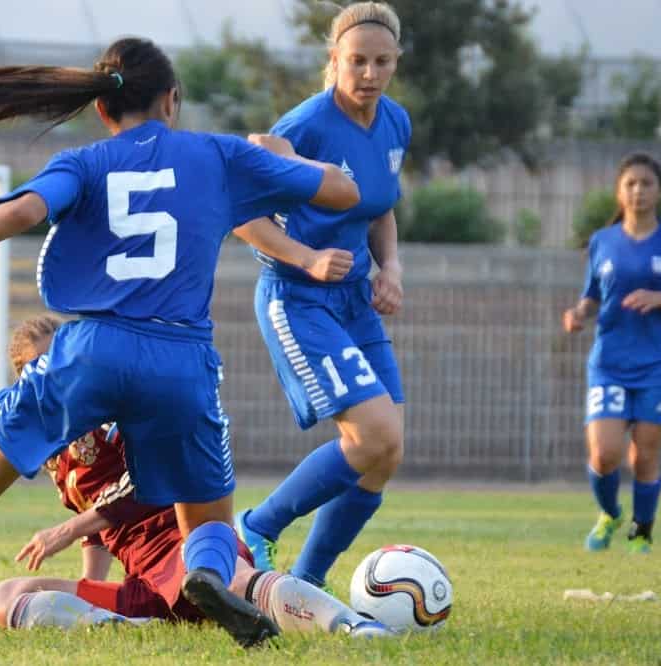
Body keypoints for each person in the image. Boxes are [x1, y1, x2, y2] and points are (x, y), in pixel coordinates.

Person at [0, 36, 359, 648]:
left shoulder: (86, 162)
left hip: (90, 347)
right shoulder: (219, 155)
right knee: (210, 518)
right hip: (180, 356)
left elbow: (21, 212)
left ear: (101, 109)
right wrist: (283, 156)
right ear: (173, 100)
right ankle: (204, 576)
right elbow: (341, 192)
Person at [0, 316, 393, 638]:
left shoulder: (106, 409)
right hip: (146, 581)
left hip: (183, 543)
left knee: (234, 580)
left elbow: (149, 479)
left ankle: (354, 627)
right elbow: (99, 530)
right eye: (39, 367)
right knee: (7, 596)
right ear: (25, 379)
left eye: (56, 359)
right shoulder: (55, 452)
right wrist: (88, 587)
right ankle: (123, 626)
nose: (54, 373)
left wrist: (68, 529)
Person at [234, 2, 410, 589]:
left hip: (355, 300)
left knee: (384, 454)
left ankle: (307, 580)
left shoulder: (395, 123)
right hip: (298, 299)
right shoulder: (301, 128)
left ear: (395, 63)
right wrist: (306, 258)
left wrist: (391, 269)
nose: (369, 72)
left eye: (381, 61)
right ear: (334, 60)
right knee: (373, 435)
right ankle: (255, 527)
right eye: (356, 60)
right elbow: (244, 218)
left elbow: (379, 205)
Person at [562, 152, 661, 554]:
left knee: (643, 456)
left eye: (646, 183)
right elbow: (592, 295)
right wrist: (578, 314)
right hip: (609, 362)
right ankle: (610, 513)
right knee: (604, 453)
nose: (638, 191)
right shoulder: (602, 241)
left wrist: (660, 297)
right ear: (619, 190)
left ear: (659, 191)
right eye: (630, 183)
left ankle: (642, 531)